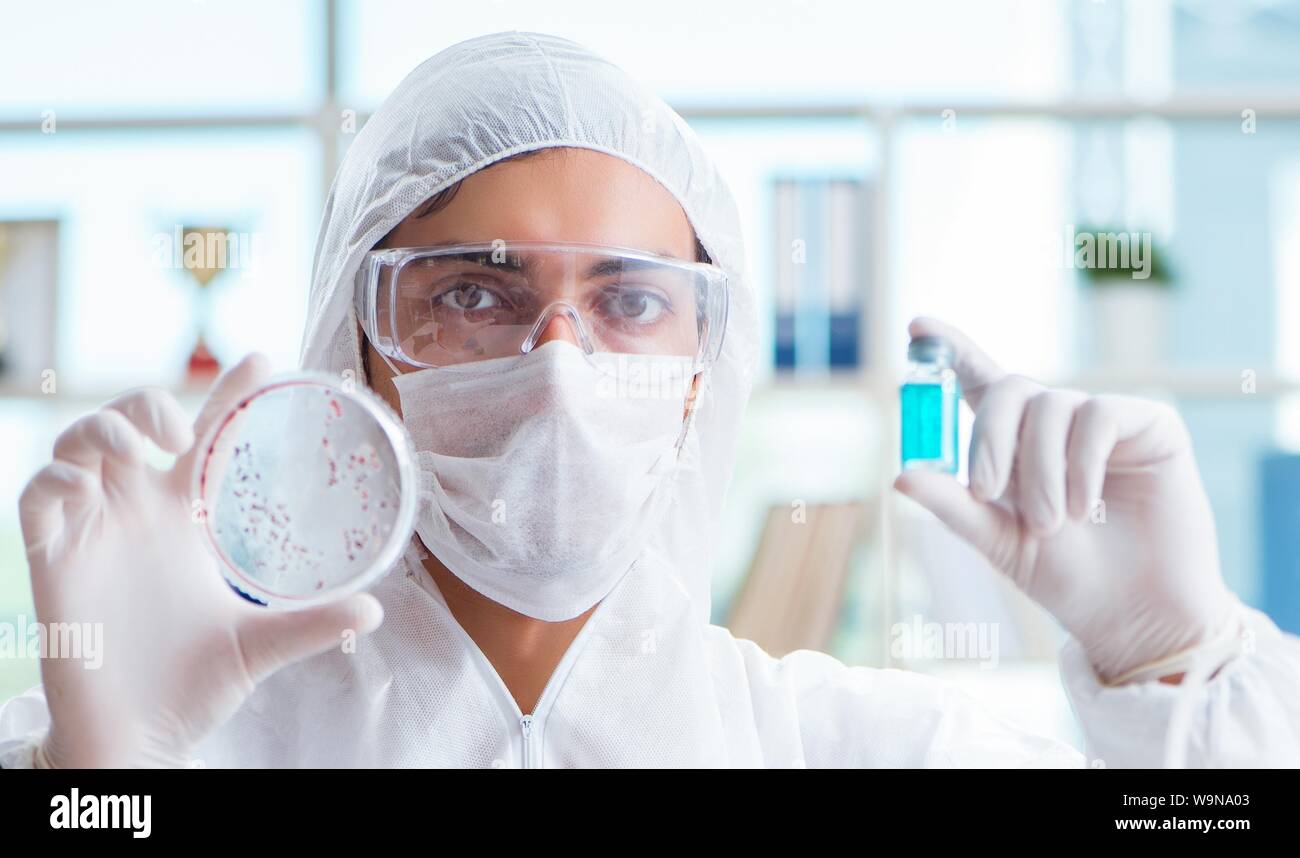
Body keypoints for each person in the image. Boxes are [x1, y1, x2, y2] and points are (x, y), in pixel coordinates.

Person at [2, 31, 1297, 769]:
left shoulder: (851, 748)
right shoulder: (164, 742)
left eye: (627, 300)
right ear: (360, 342)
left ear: (701, 375)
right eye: (474, 292)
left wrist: (1175, 666)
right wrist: (101, 783)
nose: (559, 363)